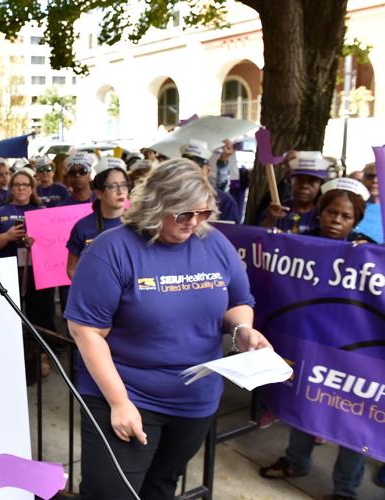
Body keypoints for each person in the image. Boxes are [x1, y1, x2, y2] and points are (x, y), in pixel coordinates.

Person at [65, 159, 271, 499]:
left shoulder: (214, 243)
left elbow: (238, 301)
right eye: (183, 214)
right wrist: (119, 402)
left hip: (195, 400)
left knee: (160, 487)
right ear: (155, 204)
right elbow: (86, 331)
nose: (194, 222)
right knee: (110, 493)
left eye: (202, 213)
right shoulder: (111, 249)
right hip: (128, 392)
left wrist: (242, 330)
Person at [260, 178, 372, 500]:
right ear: (320, 213)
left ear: (355, 221)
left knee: (353, 418)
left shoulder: (367, 251)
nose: (336, 220)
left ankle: (345, 491)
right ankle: (296, 462)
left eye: (345, 216)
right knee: (307, 403)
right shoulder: (301, 244)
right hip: (312, 342)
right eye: (331, 212)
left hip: (353, 350)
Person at [0, 171, 54, 382]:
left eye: (25, 184)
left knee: (40, 315)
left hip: (38, 273)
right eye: (17, 184)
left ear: (32, 188)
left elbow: (54, 244)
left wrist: (37, 242)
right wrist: (7, 236)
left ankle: (41, 355)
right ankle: (9, 357)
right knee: (9, 315)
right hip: (8, 272)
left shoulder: (42, 212)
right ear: (11, 187)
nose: (21, 188)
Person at [66, 161, 129, 279]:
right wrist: (88, 288)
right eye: (112, 186)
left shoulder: (137, 224)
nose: (120, 191)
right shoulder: (82, 227)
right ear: (98, 193)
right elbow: (72, 269)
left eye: (124, 185)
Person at [259, 151, 326, 233]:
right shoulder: (276, 211)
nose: (304, 186)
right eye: (300, 180)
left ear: (320, 185)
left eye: (311, 182)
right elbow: (258, 235)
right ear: (291, 181)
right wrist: (270, 220)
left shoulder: (324, 215)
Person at [180, 140, 240, 223]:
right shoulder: (169, 196)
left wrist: (224, 161)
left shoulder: (225, 201)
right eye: (184, 168)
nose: (188, 173)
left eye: (195, 168)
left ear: (207, 170)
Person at [355, 162, 382, 243]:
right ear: (362, 179)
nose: (375, 180)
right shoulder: (349, 205)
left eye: (381, 176)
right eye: (370, 176)